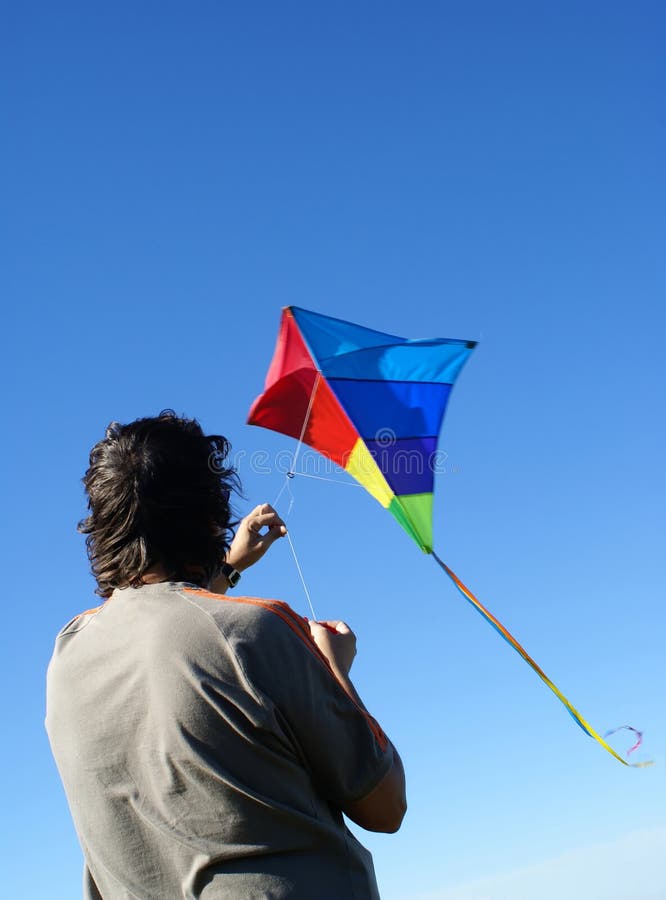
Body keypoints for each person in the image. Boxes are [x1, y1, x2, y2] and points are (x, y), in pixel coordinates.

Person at [46, 411, 406, 899]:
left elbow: (166, 622)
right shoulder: (258, 630)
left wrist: (228, 567)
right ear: (211, 514)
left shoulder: (67, 656)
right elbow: (385, 807)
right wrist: (335, 670)